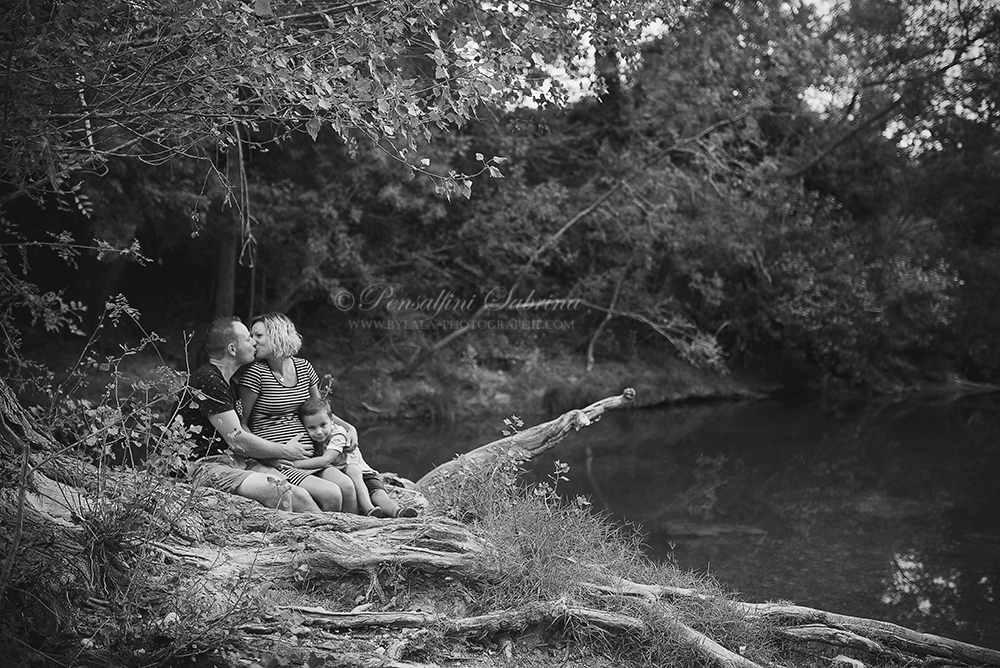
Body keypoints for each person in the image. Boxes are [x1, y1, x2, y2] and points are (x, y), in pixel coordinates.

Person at [177, 316, 336, 512]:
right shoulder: (209, 380)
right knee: (282, 491)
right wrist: (285, 451)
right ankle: (318, 536)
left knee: (297, 490)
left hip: (234, 461)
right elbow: (238, 440)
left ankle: (330, 531)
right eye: (248, 339)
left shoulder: (230, 380)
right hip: (203, 466)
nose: (254, 341)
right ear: (232, 349)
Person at [237, 312, 358, 513]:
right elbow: (242, 424)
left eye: (259, 336)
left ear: (278, 335)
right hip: (282, 461)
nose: (253, 342)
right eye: (251, 336)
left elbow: (319, 410)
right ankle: (328, 537)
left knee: (346, 486)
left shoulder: (304, 368)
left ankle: (357, 537)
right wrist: (268, 456)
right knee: (332, 493)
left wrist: (348, 427)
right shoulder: (255, 373)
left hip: (312, 457)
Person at [296, 397, 418, 518]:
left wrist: (294, 464)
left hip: (364, 473)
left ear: (332, 421)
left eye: (323, 425)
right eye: (312, 428)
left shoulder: (338, 434)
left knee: (378, 494)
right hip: (346, 477)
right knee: (358, 482)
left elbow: (326, 460)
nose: (319, 432)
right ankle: (373, 511)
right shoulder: (314, 440)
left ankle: (395, 511)